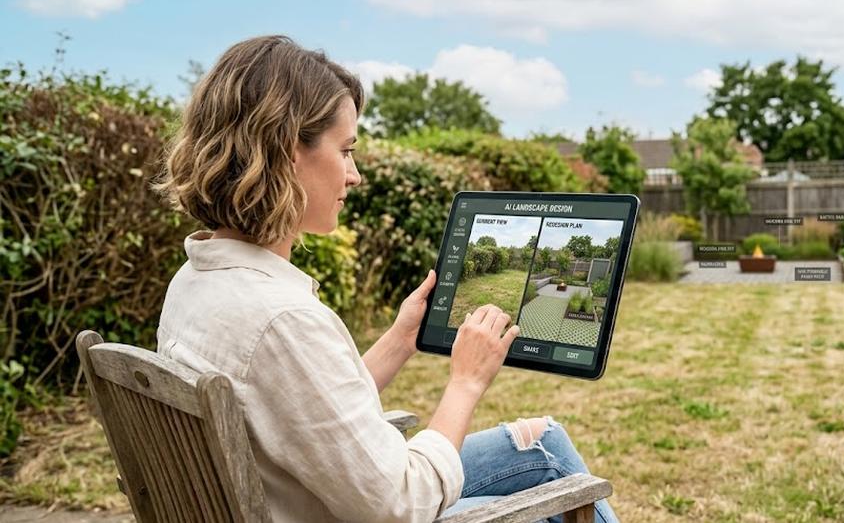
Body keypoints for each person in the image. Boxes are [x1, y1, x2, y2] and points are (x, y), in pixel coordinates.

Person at [154, 35, 618, 523]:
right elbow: (403, 502)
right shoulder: (283, 320)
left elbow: (309, 411)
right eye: (346, 150)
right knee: (562, 496)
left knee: (542, 443)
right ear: (288, 152)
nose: (354, 175)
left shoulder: (196, 280)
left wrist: (401, 338)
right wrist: (466, 380)